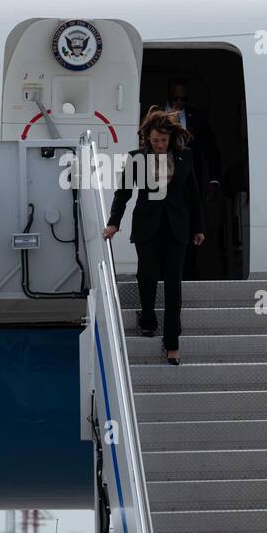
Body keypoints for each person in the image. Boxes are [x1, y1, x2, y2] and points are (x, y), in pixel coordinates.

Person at [103, 107, 204, 365]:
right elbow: (123, 193)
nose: (160, 144)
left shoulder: (185, 157)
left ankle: (172, 343)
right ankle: (147, 318)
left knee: (173, 284)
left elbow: (193, 196)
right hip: (147, 225)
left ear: (171, 137)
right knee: (147, 276)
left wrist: (198, 228)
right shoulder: (136, 158)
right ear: (147, 137)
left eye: (164, 140)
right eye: (155, 140)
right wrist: (114, 223)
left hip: (177, 227)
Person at [166, 78, 221, 280]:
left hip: (189, 181)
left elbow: (211, 149)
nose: (179, 102)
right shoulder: (154, 116)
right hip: (160, 183)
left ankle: (188, 275)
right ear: (168, 95)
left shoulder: (195, 116)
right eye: (175, 98)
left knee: (189, 230)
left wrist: (214, 180)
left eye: (183, 98)